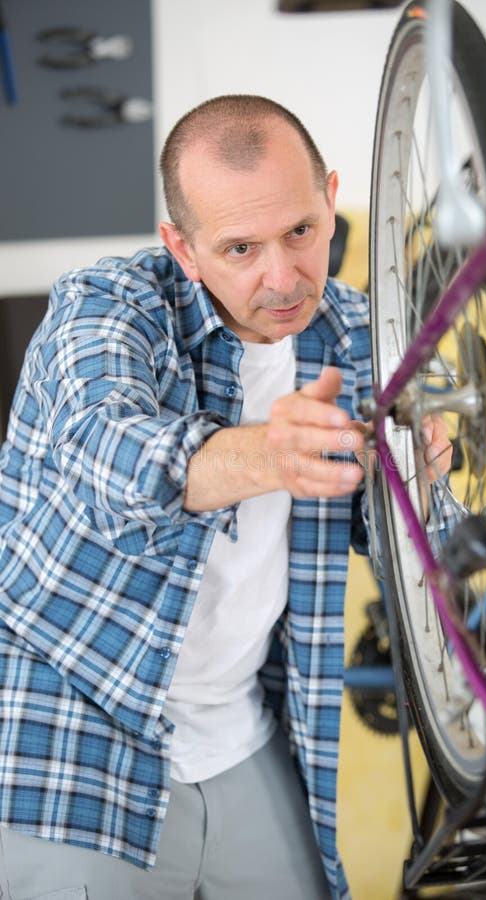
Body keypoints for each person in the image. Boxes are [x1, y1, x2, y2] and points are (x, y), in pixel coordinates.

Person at [0, 94, 451, 900]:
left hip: (245, 737)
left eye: (301, 233)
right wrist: (264, 454)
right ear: (182, 246)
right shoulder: (103, 308)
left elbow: (435, 556)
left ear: (330, 198)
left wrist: (430, 477)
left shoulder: (359, 334)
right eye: (240, 248)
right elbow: (112, 459)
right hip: (66, 725)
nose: (281, 277)